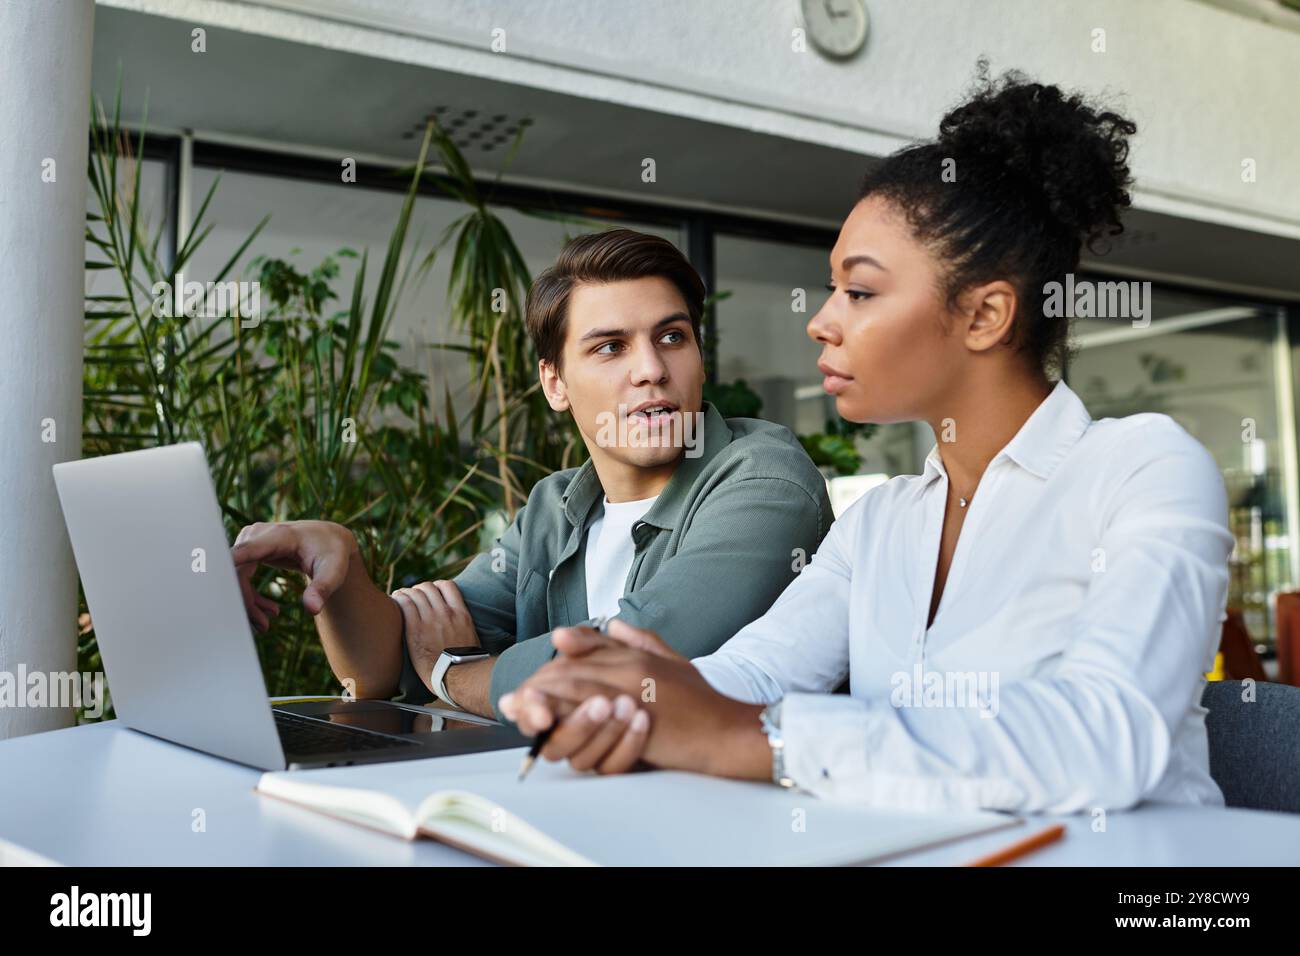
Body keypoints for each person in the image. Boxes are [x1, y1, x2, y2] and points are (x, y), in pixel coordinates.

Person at [501, 65, 1235, 813]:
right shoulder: (882, 523)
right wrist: (620, 693)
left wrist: (759, 738)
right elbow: (752, 676)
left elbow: (1106, 738)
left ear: (984, 316)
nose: (822, 321)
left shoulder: (1143, 468)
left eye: (859, 291)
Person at [232, 228, 831, 722]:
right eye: (610, 347)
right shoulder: (554, 508)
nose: (651, 369)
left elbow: (629, 664)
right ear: (555, 384)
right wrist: (341, 568)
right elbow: (386, 666)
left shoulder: (765, 480)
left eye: (671, 337)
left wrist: (455, 672)